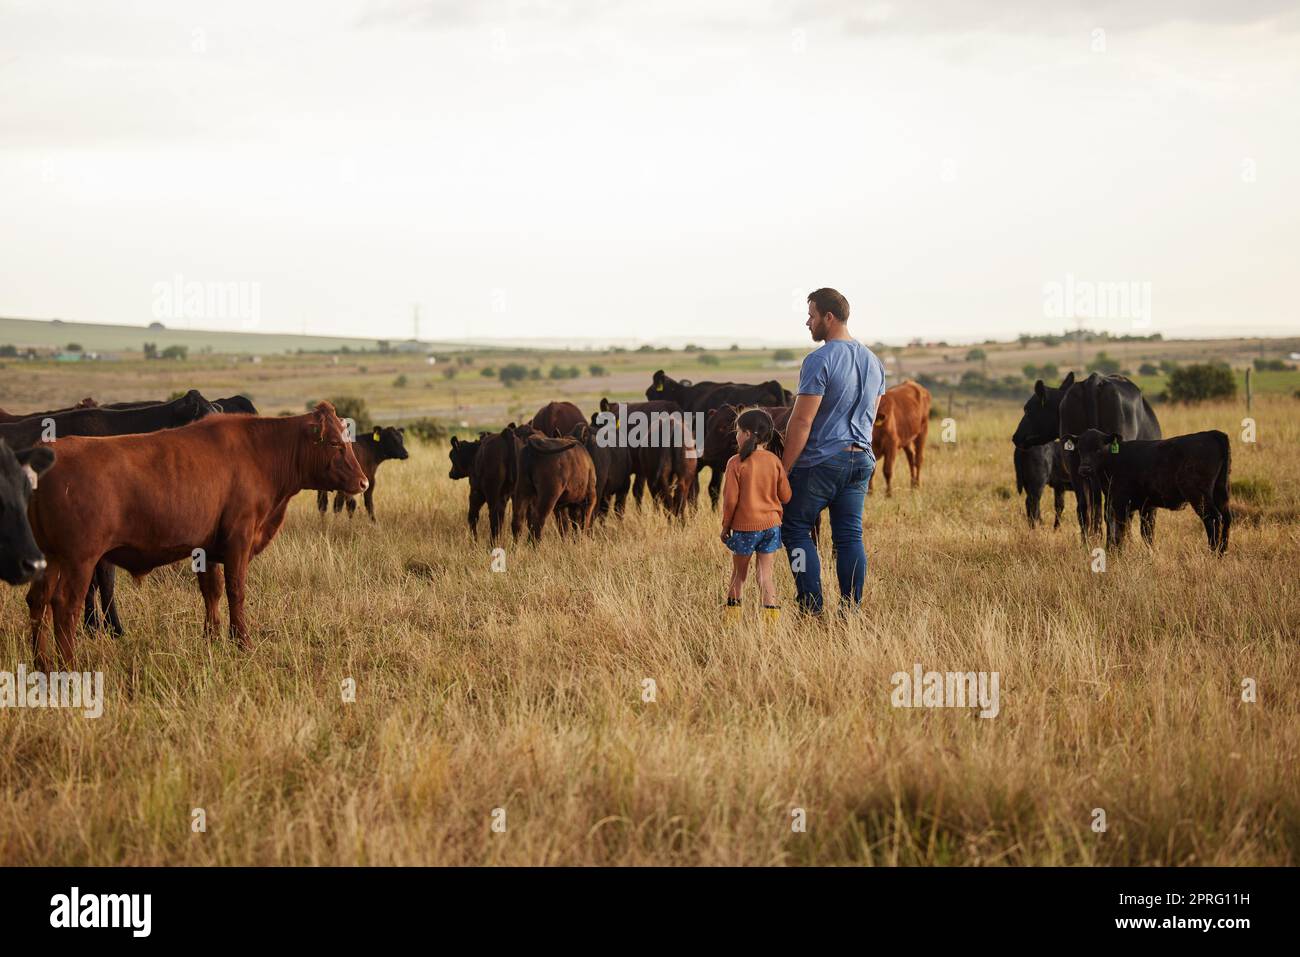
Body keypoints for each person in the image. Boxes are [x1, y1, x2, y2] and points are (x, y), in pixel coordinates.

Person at [779, 288, 886, 614]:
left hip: (822, 461)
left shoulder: (819, 360)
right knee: (850, 536)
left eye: (811, 315)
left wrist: (782, 471)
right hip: (861, 459)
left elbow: (802, 421)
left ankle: (810, 607)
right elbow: (870, 418)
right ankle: (850, 611)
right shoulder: (874, 361)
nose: (807, 322)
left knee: (795, 529)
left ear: (829, 317)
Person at [720, 408, 792, 623]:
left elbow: (730, 501)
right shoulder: (774, 461)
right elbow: (786, 496)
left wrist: (725, 526)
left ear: (747, 434)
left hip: (745, 528)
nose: (736, 435)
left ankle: (731, 623)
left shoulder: (735, 462)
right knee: (765, 576)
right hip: (771, 527)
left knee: (738, 576)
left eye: (738, 431)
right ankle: (771, 625)